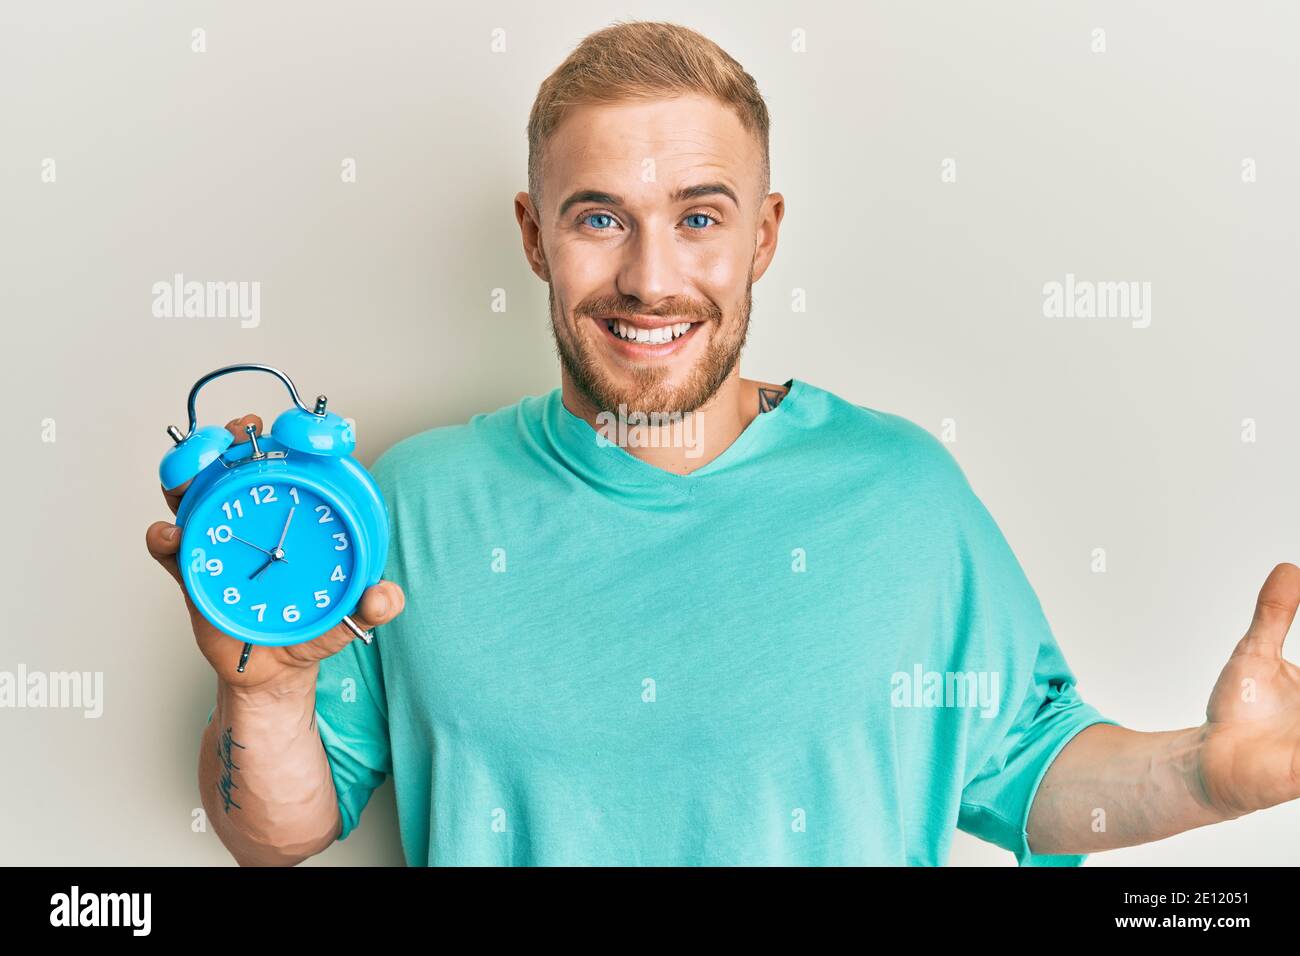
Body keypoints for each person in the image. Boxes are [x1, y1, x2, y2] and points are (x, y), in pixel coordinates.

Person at [146, 20, 1300, 866]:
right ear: (533, 236)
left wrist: (1205, 773)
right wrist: (261, 692)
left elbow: (1030, 772)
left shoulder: (899, 493)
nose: (651, 277)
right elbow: (277, 830)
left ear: (764, 235)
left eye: (699, 216)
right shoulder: (415, 502)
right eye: (599, 217)